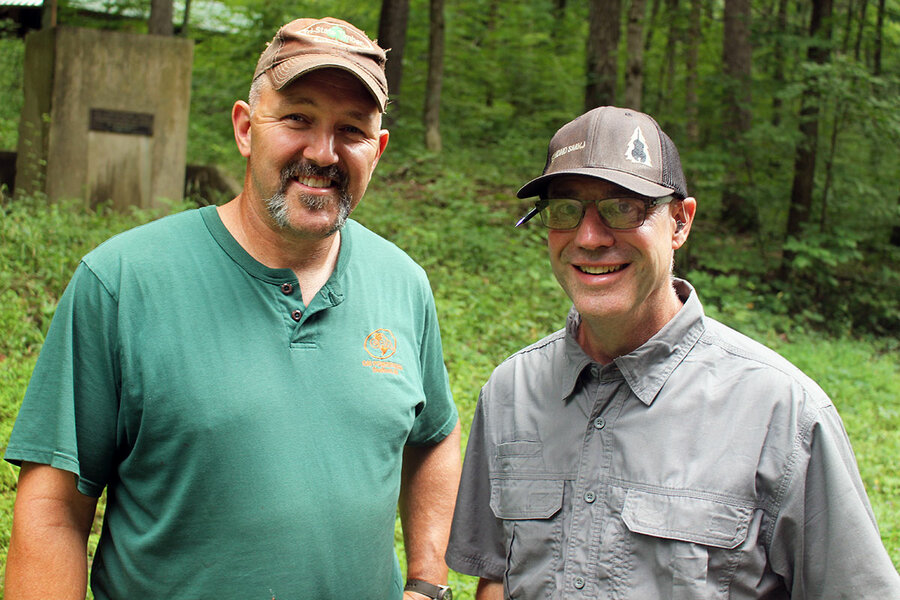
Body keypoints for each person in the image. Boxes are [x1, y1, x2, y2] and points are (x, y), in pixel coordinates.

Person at [5, 17, 460, 600]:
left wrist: (427, 581)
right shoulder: (123, 282)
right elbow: (52, 510)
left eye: (351, 129)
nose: (323, 152)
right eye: (298, 117)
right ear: (246, 128)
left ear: (379, 149)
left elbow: (435, 437)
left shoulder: (403, 284)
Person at [445, 106, 900, 599]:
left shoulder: (782, 414)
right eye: (565, 209)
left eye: (623, 207)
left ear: (680, 222)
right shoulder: (511, 392)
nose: (590, 237)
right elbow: (495, 578)